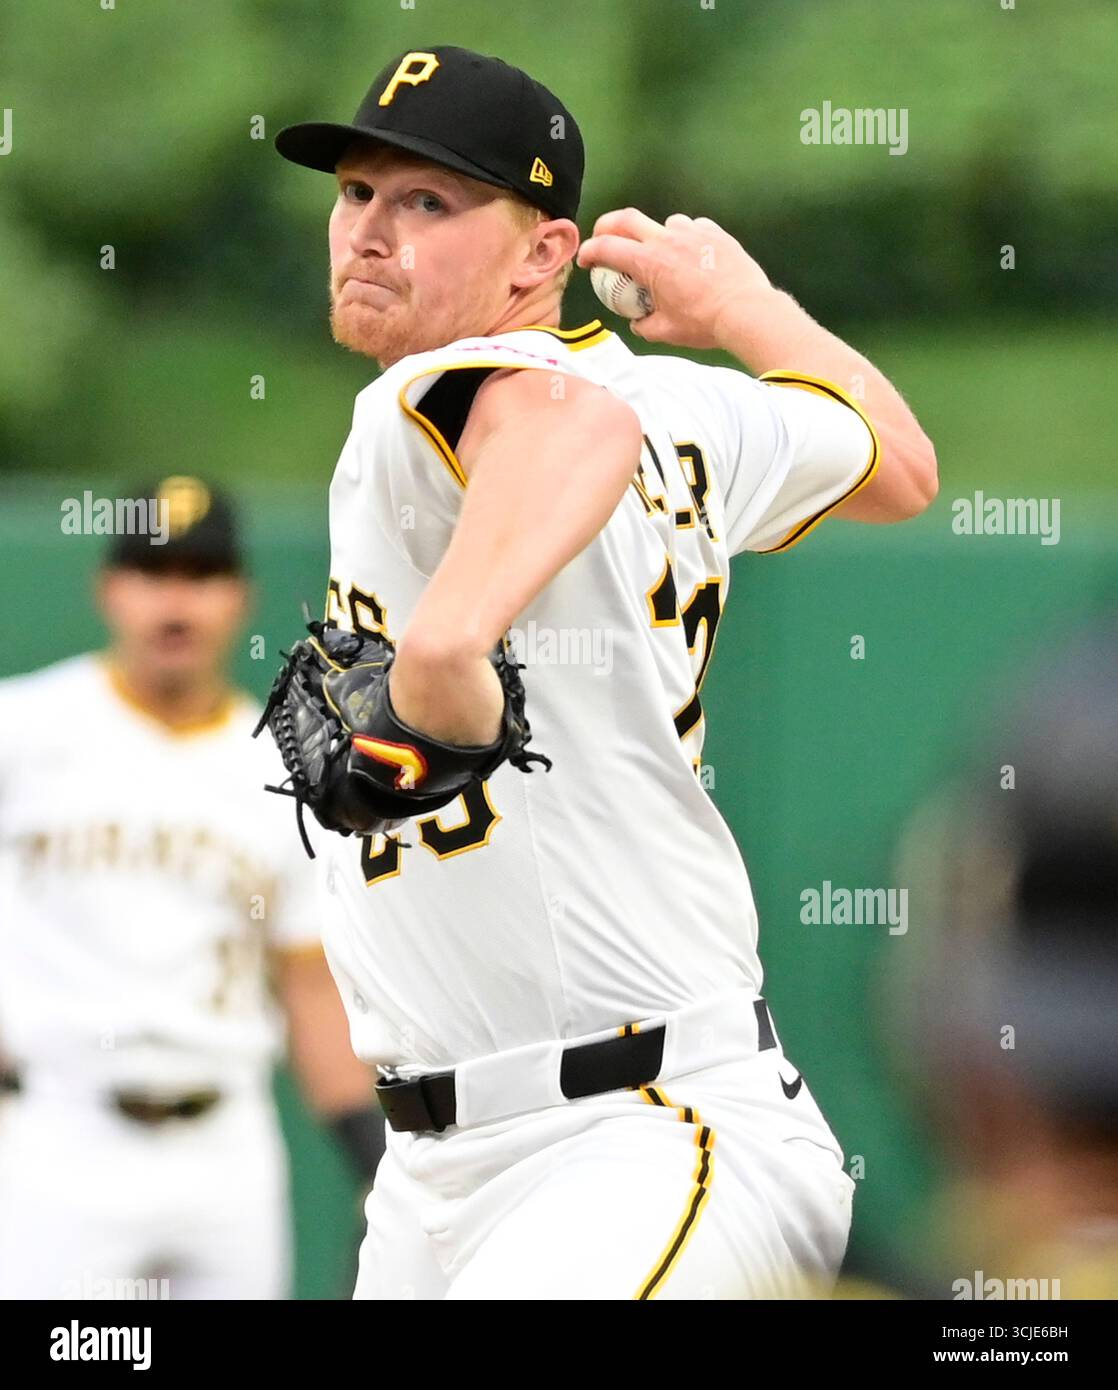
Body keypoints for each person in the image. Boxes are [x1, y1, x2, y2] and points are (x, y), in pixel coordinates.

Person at [271, 44, 937, 1300]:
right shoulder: (694, 406)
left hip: (634, 1131)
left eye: (428, 203)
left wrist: (442, 644)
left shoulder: (444, 389)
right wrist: (748, 311)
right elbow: (897, 464)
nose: (368, 230)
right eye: (355, 191)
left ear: (541, 253)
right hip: (444, 1176)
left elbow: (571, 421)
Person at [0, 476, 383, 1300]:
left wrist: (367, 1151)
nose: (176, 603)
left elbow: (307, 980)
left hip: (227, 1148)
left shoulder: (280, 770)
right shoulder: (23, 728)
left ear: (239, 596)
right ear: (110, 588)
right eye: (152, 572)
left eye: (202, 576)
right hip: (57, 1130)